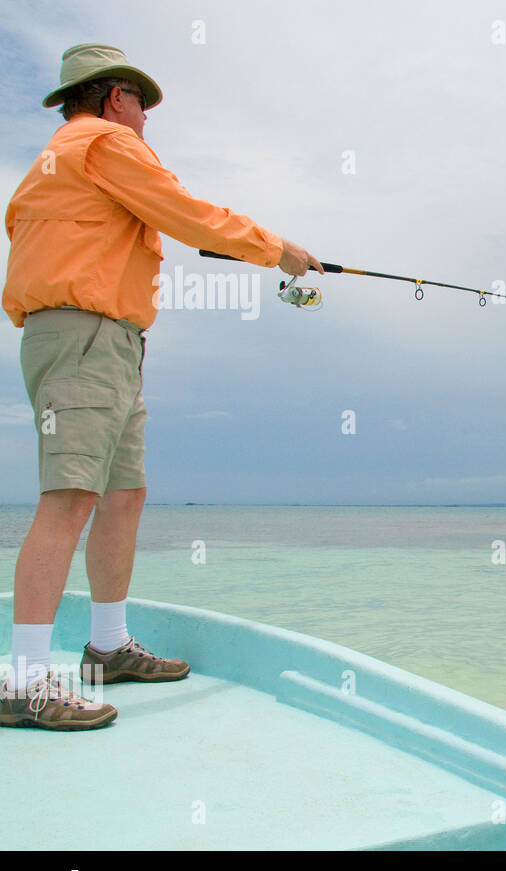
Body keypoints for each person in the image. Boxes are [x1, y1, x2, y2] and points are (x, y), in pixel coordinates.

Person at [1, 43, 322, 730]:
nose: (147, 119)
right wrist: (280, 251)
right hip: (84, 335)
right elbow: (186, 212)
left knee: (123, 493)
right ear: (116, 96)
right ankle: (24, 680)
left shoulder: (61, 159)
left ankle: (108, 646)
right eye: (143, 103)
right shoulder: (103, 142)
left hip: (105, 340)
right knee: (70, 498)